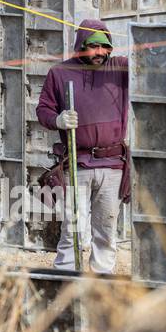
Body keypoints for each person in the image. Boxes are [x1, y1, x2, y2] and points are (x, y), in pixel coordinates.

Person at [35, 18, 130, 274]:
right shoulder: (60, 73)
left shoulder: (120, 69)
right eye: (93, 47)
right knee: (74, 230)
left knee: (106, 231)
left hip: (112, 165)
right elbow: (43, 110)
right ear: (80, 45)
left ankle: (102, 281)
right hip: (78, 163)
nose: (99, 53)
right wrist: (58, 120)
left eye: (104, 47)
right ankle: (65, 278)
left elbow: (151, 67)